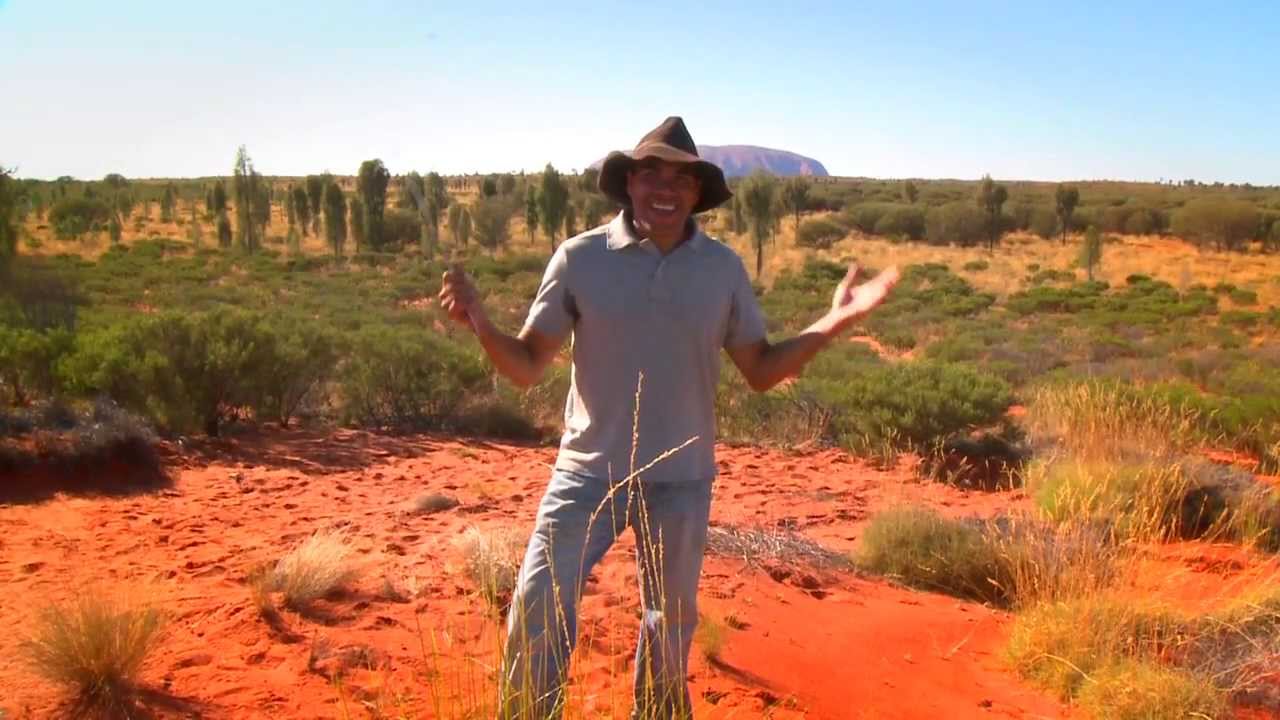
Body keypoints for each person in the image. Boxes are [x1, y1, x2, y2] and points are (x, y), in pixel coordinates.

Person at [438, 116, 899, 719]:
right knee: (539, 600)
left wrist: (833, 322)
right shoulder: (579, 259)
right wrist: (480, 323)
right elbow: (526, 365)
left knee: (667, 623)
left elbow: (759, 369)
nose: (665, 186)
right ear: (628, 184)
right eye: (650, 172)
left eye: (681, 178)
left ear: (696, 193)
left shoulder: (722, 269)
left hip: (680, 478)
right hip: (586, 473)